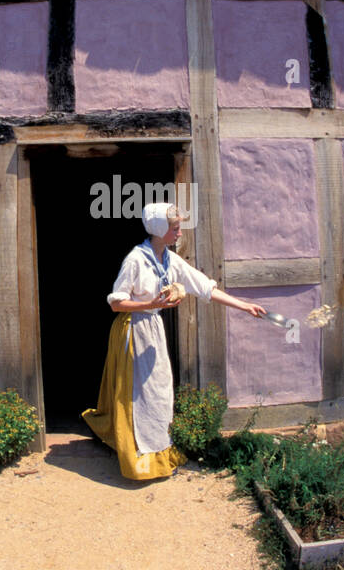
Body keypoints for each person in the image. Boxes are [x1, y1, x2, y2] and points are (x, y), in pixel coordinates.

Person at [82, 202, 266, 480]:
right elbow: (116, 303)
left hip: (152, 327)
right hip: (132, 330)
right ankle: (138, 458)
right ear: (159, 229)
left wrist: (244, 305)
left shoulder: (169, 259)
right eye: (175, 228)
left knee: (160, 391)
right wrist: (149, 303)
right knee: (138, 394)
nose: (179, 233)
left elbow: (202, 286)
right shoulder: (136, 259)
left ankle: (159, 451)